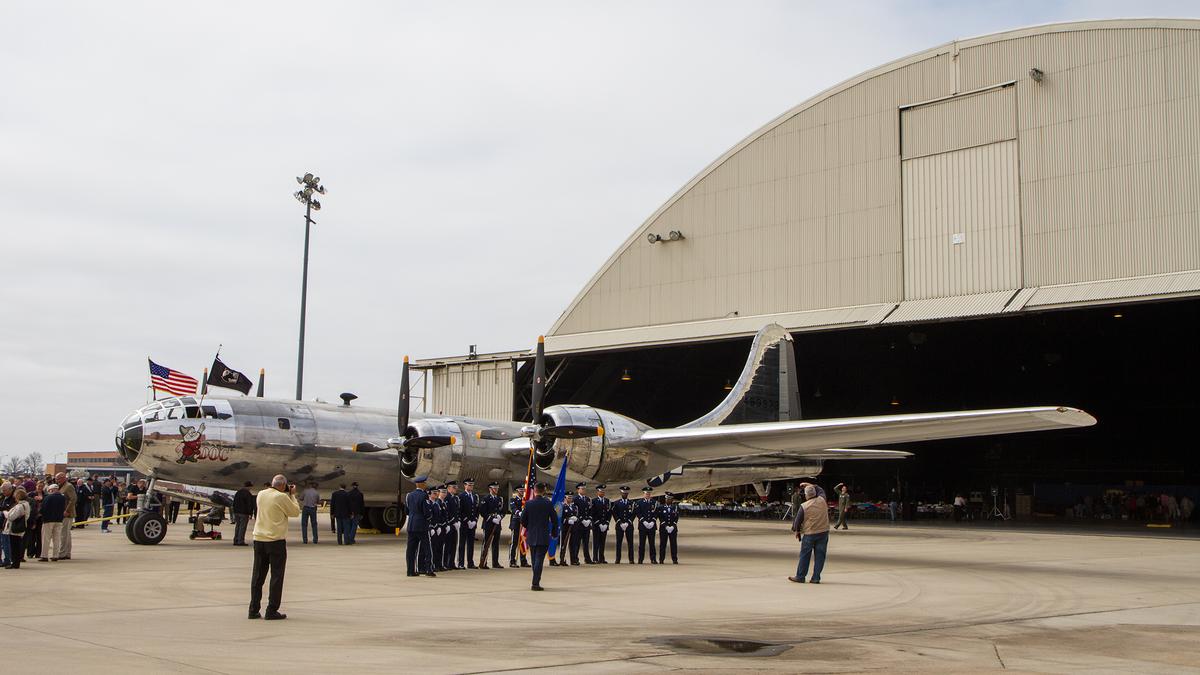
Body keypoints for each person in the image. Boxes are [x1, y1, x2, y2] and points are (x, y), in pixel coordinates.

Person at [249, 474, 300, 620]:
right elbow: (295, 512)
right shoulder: (282, 497)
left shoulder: (261, 494)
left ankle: (253, 609)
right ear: (283, 486)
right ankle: (271, 609)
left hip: (259, 539)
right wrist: (292, 495)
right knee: (276, 576)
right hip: (275, 541)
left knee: (258, 576)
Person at [519, 482, 558, 591]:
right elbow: (555, 520)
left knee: (534, 560)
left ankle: (535, 580)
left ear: (534, 491)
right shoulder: (548, 504)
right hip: (543, 535)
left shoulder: (528, 504)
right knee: (539, 561)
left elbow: (522, 520)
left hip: (532, 535)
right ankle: (535, 583)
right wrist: (554, 533)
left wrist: (529, 527)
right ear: (543, 491)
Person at [789, 484, 830, 584]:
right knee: (820, 556)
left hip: (810, 533)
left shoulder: (804, 506)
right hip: (823, 532)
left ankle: (800, 576)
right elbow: (821, 489)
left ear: (806, 495)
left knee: (805, 555)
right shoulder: (822, 500)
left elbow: (797, 522)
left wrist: (797, 531)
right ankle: (816, 578)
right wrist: (810, 484)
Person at [404, 476, 435, 577]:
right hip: (421, 525)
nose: (426, 484)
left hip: (411, 525)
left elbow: (406, 511)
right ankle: (428, 569)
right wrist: (429, 516)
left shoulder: (409, 495)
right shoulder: (424, 495)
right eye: (424, 483)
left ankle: (410, 570)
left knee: (411, 549)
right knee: (427, 548)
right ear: (421, 484)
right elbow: (426, 511)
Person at [478, 482, 504, 569]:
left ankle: (495, 562)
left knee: (496, 544)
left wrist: (500, 516)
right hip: (488, 524)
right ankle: (483, 562)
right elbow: (482, 512)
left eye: (497, 488)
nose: (496, 490)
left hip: (497, 524)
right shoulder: (486, 499)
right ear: (490, 489)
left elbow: (502, 510)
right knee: (486, 543)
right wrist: (491, 519)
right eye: (494, 488)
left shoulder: (499, 499)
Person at [3, 488, 30, 569]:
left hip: (14, 528)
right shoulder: (26, 504)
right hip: (20, 526)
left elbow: (11, 517)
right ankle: (15, 562)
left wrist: (5, 513)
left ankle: (15, 563)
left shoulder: (20, 506)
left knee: (14, 546)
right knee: (17, 545)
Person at [39, 483, 66, 561]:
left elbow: (43, 509)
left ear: (51, 490)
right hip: (59, 520)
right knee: (57, 538)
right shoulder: (62, 498)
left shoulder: (48, 497)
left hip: (48, 520)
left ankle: (44, 555)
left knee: (46, 539)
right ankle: (55, 555)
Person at [457, 479, 478, 569]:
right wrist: (467, 520)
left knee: (471, 544)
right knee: (462, 544)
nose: (470, 487)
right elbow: (460, 510)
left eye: (472, 485)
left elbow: (476, 509)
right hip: (465, 523)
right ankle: (461, 562)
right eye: (469, 485)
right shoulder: (461, 496)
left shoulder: (474, 496)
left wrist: (475, 520)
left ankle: (470, 562)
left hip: (472, 523)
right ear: (465, 486)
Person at [634, 487, 659, 564]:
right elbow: (638, 513)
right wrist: (643, 521)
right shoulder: (639, 502)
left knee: (652, 543)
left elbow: (656, 513)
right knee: (642, 544)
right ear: (644, 494)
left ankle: (653, 559)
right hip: (642, 526)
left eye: (649, 493)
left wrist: (653, 521)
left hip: (652, 526)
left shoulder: (654, 502)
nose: (647, 495)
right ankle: (640, 559)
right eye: (646, 493)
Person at [611, 486, 634, 564]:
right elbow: (614, 513)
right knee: (619, 543)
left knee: (630, 542)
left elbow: (633, 514)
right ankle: (618, 559)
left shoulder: (631, 503)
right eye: (623, 493)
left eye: (626, 493)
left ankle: (631, 559)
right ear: (621, 493)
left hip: (629, 525)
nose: (625, 494)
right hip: (619, 525)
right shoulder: (617, 503)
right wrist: (619, 522)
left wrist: (628, 522)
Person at [56, 473, 76, 560]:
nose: (57, 481)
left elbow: (73, 499)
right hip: (62, 512)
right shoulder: (61, 486)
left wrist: (67, 510)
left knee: (64, 534)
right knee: (66, 534)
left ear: (64, 478)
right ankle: (67, 552)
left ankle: (62, 553)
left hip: (67, 513)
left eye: (59, 479)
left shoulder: (68, 486)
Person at [590, 484, 611, 564]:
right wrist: (598, 523)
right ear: (597, 492)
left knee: (602, 542)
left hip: (604, 524)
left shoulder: (607, 501)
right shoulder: (594, 501)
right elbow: (592, 513)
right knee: (596, 542)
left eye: (603, 491)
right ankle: (595, 558)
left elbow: (609, 513)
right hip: (597, 525)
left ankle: (601, 558)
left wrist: (606, 523)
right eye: (600, 491)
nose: (602, 493)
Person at [508, 489, 528, 568]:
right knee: (514, 542)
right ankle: (512, 560)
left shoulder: (526, 500)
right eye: (520, 490)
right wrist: (519, 512)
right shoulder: (513, 499)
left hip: (523, 524)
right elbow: (513, 508)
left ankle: (523, 560)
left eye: (523, 490)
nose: (522, 492)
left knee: (523, 542)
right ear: (517, 491)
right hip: (516, 523)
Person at [442, 481, 460, 569]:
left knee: (454, 544)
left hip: (455, 525)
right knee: (447, 545)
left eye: (456, 487)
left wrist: (458, 521)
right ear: (448, 488)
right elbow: (446, 512)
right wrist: (452, 521)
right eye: (453, 487)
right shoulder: (446, 498)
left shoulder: (456, 498)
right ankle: (445, 563)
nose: (455, 489)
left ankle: (451, 563)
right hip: (449, 524)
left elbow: (457, 511)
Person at [573, 483, 593, 563]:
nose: (583, 490)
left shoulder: (588, 499)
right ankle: (575, 558)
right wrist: (581, 519)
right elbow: (575, 511)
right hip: (579, 524)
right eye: (582, 489)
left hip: (587, 524)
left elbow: (591, 510)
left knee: (586, 543)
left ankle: (587, 559)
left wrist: (589, 519)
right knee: (577, 543)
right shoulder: (575, 499)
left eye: (584, 489)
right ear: (578, 490)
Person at [658, 491, 680, 564]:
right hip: (664, 528)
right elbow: (660, 518)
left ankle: (674, 559)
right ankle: (661, 559)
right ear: (665, 499)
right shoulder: (661, 507)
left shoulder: (675, 507)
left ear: (672, 500)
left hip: (673, 528)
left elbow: (676, 517)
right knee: (662, 544)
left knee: (673, 544)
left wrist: (673, 526)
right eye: (667, 499)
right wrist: (666, 526)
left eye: (670, 499)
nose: (669, 500)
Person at [232, 481, 255, 546]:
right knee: (242, 527)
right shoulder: (248, 494)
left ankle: (236, 540)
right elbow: (249, 504)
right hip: (244, 513)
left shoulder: (238, 492)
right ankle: (240, 541)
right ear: (249, 487)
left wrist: (234, 511)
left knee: (237, 526)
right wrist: (250, 513)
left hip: (237, 512)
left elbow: (234, 503)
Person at [430, 486, 447, 571]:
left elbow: (444, 516)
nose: (444, 494)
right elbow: (433, 517)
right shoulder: (437, 503)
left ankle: (439, 564)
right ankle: (434, 565)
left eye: (445, 492)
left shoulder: (442, 503)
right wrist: (436, 526)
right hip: (436, 528)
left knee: (440, 547)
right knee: (435, 548)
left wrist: (445, 524)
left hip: (441, 527)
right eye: (442, 492)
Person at [558, 494, 577, 566]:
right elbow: (559, 518)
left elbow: (576, 515)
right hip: (565, 528)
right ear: (565, 498)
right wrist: (567, 520)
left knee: (573, 544)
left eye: (571, 498)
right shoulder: (562, 506)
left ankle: (573, 560)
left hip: (573, 527)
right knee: (563, 544)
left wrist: (575, 518)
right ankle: (562, 559)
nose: (570, 499)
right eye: (568, 497)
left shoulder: (574, 507)